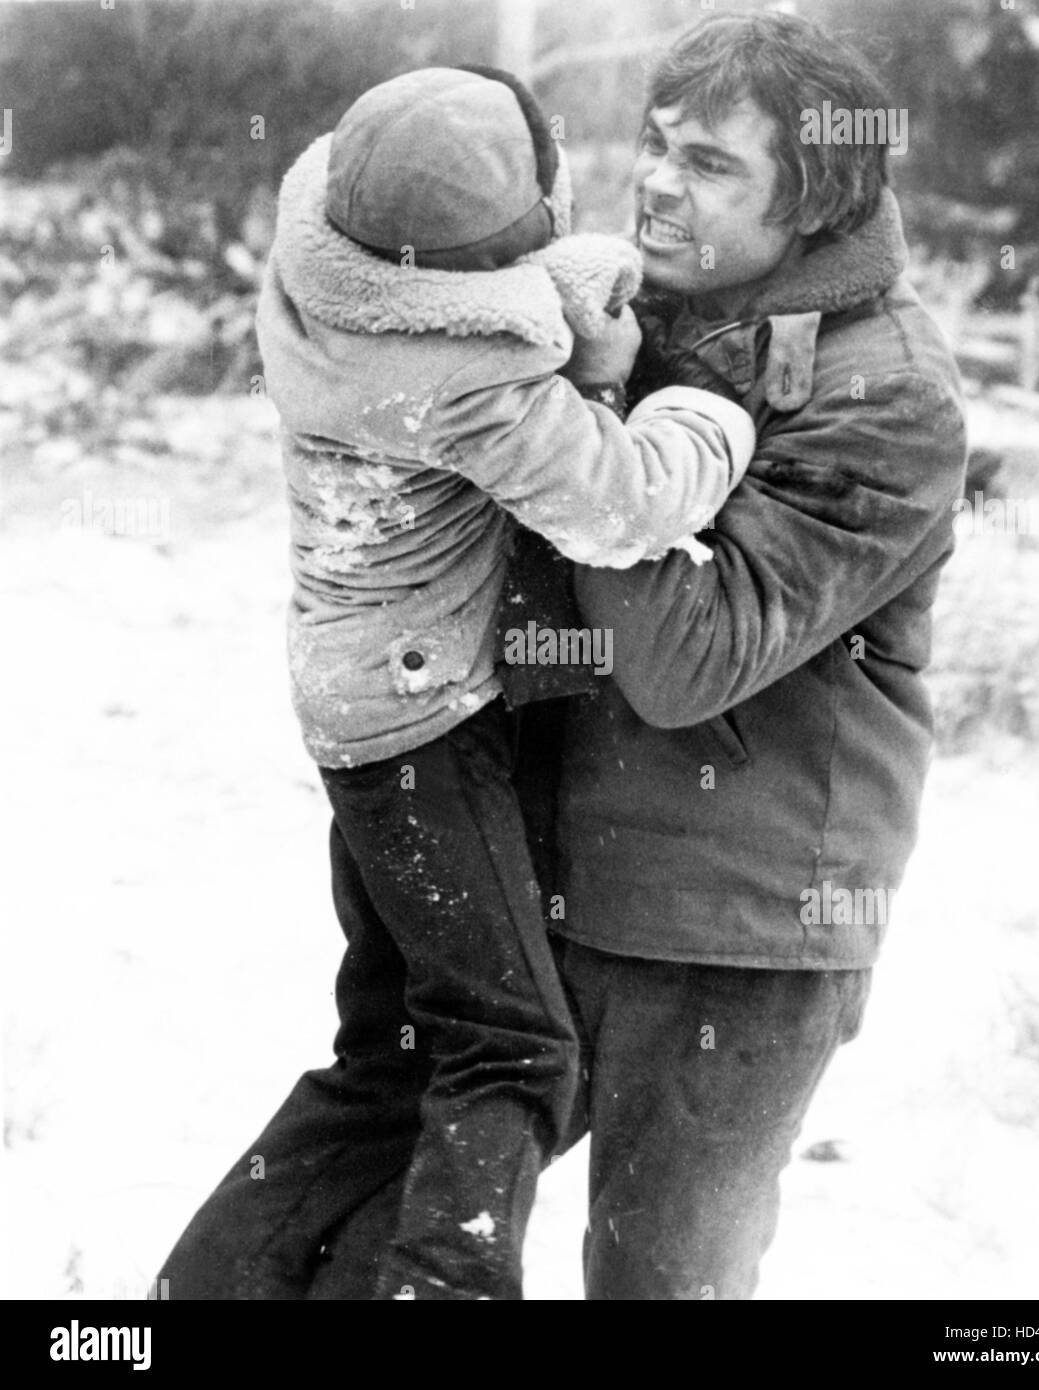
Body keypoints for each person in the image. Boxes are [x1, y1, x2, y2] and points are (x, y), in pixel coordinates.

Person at [155, 65, 754, 1302]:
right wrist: (701, 406)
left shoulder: (323, 250)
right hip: (424, 728)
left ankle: (203, 1293)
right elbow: (622, 504)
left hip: (352, 696)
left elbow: (466, 291)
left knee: (391, 1052)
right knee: (514, 1049)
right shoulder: (464, 376)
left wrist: (558, 307)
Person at [546, 10, 969, 1299]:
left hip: (741, 925)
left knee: (660, 1281)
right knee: (392, 1195)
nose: (660, 183)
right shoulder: (657, 298)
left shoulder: (884, 394)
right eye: (657, 144)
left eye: (712, 166)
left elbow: (687, 659)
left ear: (814, 204)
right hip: (563, 865)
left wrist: (600, 414)